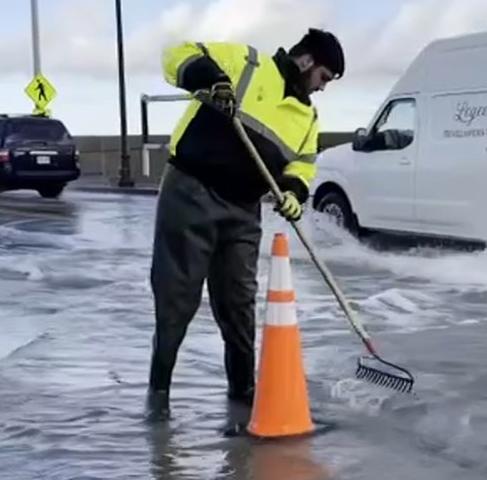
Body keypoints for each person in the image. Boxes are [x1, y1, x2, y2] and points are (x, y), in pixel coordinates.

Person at [146, 28, 344, 420]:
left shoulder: (307, 117)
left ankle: (243, 393)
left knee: (238, 304)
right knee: (177, 298)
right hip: (191, 192)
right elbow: (176, 55)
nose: (322, 88)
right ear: (307, 62)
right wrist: (209, 78)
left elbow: (302, 164)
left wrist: (293, 192)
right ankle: (159, 395)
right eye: (323, 77)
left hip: (243, 210)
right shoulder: (245, 65)